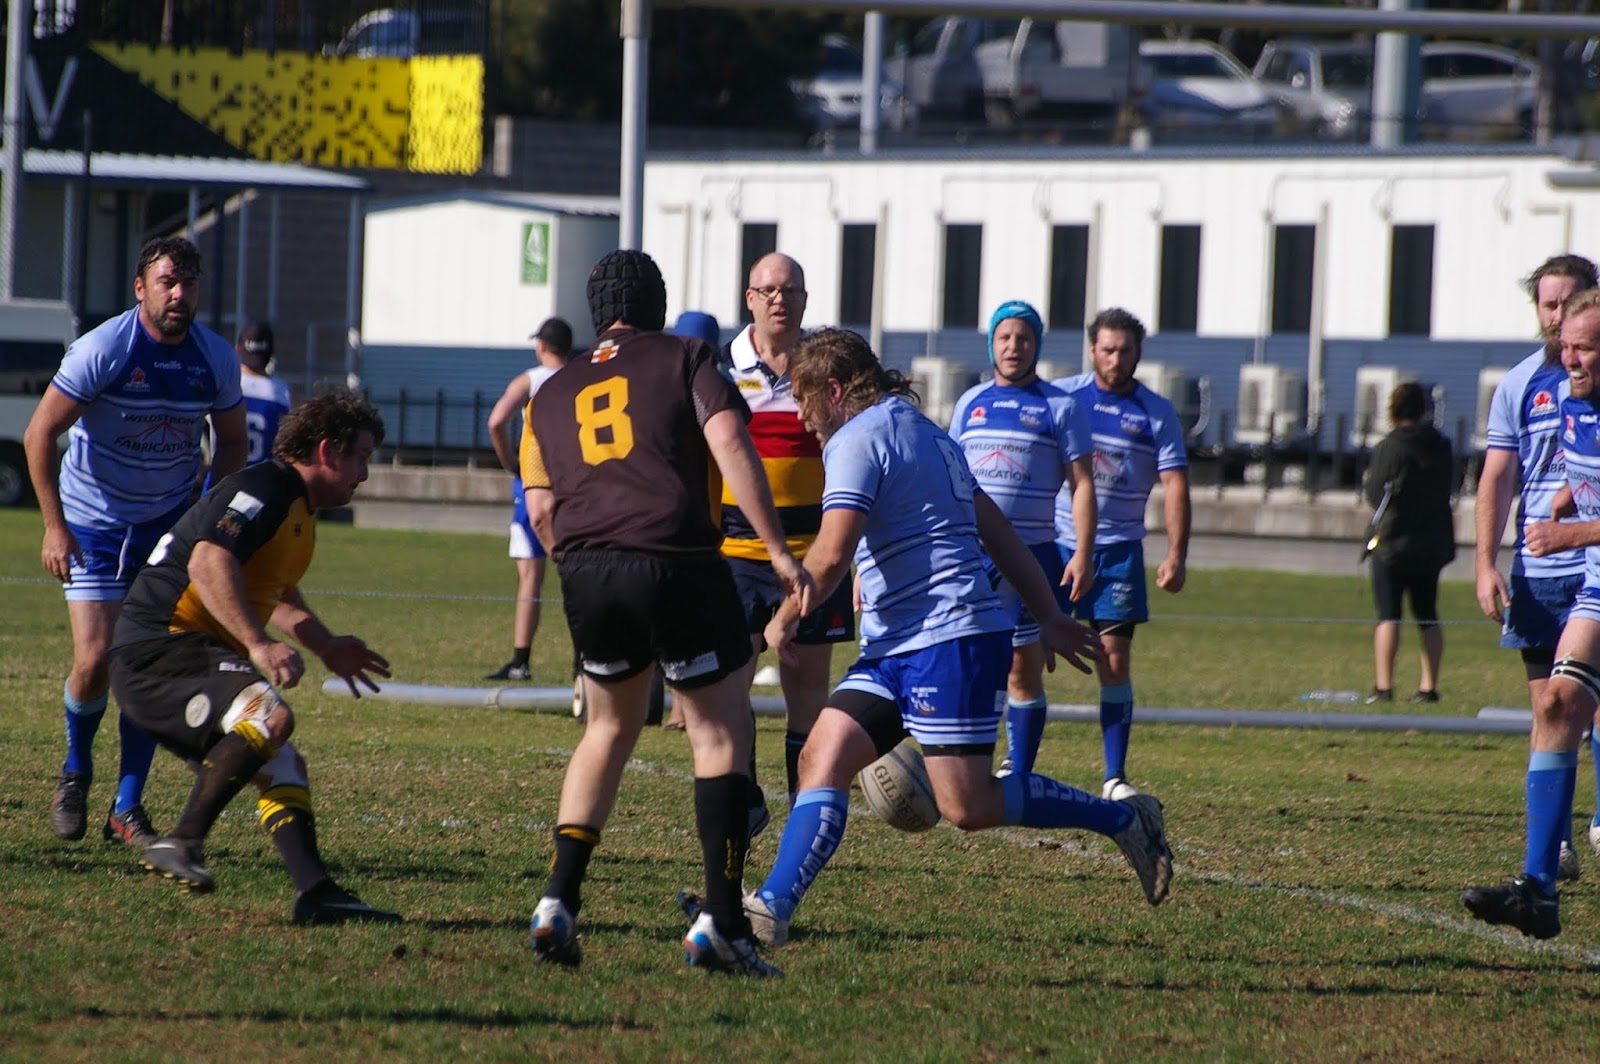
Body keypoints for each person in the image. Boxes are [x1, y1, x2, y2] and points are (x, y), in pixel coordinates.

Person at [725, 327, 1170, 952]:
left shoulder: (856, 439)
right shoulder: (927, 431)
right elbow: (997, 531)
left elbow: (828, 557)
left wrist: (780, 621)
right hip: (896, 645)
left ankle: (1126, 816)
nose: (800, 417)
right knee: (821, 755)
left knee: (967, 805)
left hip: (950, 638)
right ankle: (770, 907)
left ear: (833, 389)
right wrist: (1045, 613)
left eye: (803, 399)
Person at [519, 249, 815, 977]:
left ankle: (557, 900)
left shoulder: (549, 392)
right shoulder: (688, 356)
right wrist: (776, 549)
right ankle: (721, 921)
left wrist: (584, 568)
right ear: (657, 303)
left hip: (587, 567)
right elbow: (729, 442)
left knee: (609, 726)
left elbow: (542, 507)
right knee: (721, 732)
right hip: (676, 556)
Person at [106, 390, 399, 924]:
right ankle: (183, 841)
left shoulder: (296, 509)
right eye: (360, 457)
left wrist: (327, 645)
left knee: (280, 759)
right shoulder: (266, 486)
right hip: (157, 648)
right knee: (269, 716)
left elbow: (275, 593)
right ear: (328, 450)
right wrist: (259, 646)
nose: (363, 473)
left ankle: (316, 892)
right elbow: (209, 563)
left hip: (175, 652)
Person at [24, 235, 247, 850]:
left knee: (145, 665)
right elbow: (39, 434)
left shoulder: (215, 358)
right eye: (168, 282)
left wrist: (207, 514)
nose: (180, 295)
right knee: (95, 661)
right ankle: (75, 770)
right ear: (140, 288)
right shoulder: (105, 349)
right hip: (94, 521)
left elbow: (231, 442)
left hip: (166, 527)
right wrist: (53, 525)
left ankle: (127, 806)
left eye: (190, 284)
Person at [1463, 287, 1600, 940]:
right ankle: (1539, 890)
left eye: (1587, 348)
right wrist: (1572, 500)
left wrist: (1571, 534)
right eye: (1567, 346)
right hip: (1598, 591)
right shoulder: (1572, 403)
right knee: (1554, 707)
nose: (1571, 359)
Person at [716, 252, 856, 820]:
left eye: (790, 290)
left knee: (808, 695)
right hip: (737, 556)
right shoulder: (720, 367)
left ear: (805, 298)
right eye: (768, 290)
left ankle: (804, 814)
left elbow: (849, 459)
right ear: (749, 298)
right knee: (729, 690)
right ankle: (746, 796)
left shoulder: (824, 369)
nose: (780, 299)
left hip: (814, 557)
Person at [1044, 308, 1191, 800]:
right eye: (1107, 349)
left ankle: (1114, 776)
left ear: (1138, 354)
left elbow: (1174, 485)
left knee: (1115, 661)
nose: (1115, 358)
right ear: (1091, 350)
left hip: (1119, 551)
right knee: (1025, 659)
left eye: (1125, 350)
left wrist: (1176, 553)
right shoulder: (1064, 396)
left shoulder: (1156, 411)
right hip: (1059, 543)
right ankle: (1013, 763)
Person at [948, 300, 1096, 777]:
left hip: (1031, 554)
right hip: (971, 555)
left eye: (1025, 338)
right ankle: (964, 760)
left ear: (1038, 346)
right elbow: (949, 476)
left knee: (1020, 666)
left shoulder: (1060, 405)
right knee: (966, 657)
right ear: (992, 343)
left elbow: (1083, 485)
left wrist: (1083, 553)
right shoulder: (970, 402)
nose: (1014, 346)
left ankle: (1020, 770)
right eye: (1005, 337)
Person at [484, 316, 573, 682]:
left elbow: (496, 421)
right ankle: (586, 659)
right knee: (581, 573)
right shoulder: (580, 375)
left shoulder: (531, 379)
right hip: (574, 482)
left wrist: (511, 463)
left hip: (534, 483)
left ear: (541, 346)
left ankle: (521, 661)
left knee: (530, 577)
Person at [1362, 382, 1457, 704]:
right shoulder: (1441, 445)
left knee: (1389, 614)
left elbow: (1374, 493)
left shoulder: (1390, 447)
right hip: (1431, 542)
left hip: (1392, 542)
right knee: (1427, 613)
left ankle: (1384, 685)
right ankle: (1428, 686)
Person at [203, 320, 291, 494]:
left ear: (238, 348)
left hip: (223, 479)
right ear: (272, 352)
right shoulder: (282, 393)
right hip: (263, 486)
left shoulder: (224, 382)